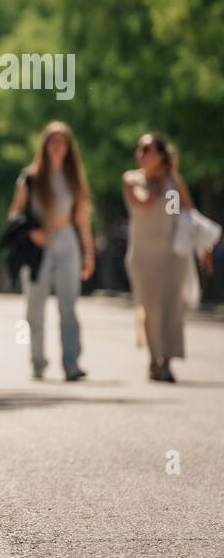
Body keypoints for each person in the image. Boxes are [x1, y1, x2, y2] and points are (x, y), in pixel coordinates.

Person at [7, 121, 95, 381]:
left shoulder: (73, 178)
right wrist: (31, 233)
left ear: (69, 147)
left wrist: (88, 253)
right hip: (38, 246)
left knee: (69, 305)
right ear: (44, 146)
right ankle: (37, 361)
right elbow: (14, 212)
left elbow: (82, 219)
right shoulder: (30, 177)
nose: (57, 147)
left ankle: (71, 363)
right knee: (35, 306)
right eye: (52, 142)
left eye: (62, 142)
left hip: (67, 240)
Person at [122, 132, 208, 382]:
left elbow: (183, 214)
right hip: (143, 255)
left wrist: (203, 248)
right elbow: (145, 203)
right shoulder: (132, 179)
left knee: (172, 308)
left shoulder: (174, 181)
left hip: (172, 255)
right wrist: (157, 182)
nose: (142, 154)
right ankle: (154, 357)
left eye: (148, 149)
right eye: (140, 149)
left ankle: (167, 361)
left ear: (161, 155)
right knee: (149, 308)